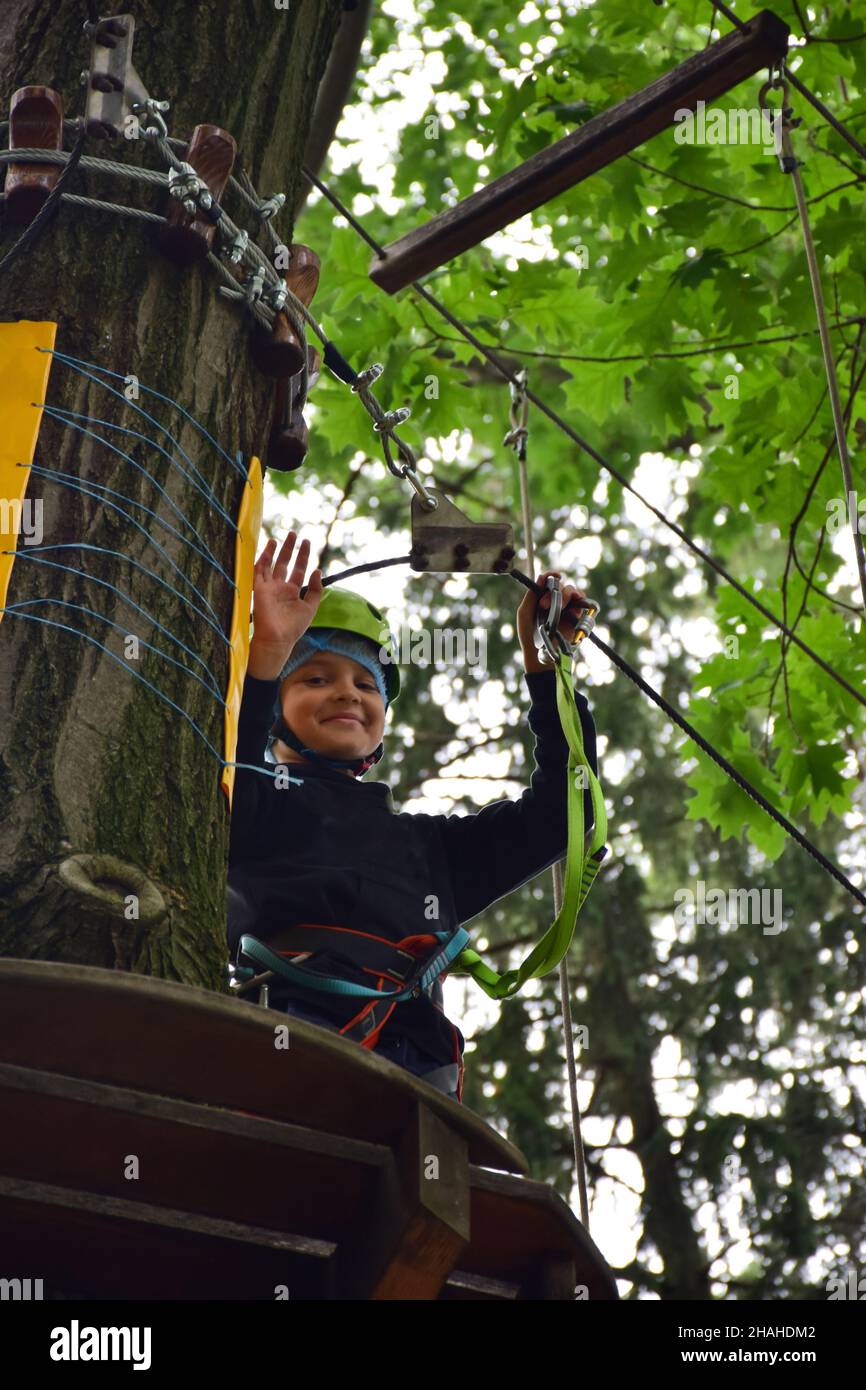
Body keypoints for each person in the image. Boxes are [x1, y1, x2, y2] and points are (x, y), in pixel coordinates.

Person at [226, 531, 599, 1105]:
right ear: (276, 710)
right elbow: (234, 759)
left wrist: (548, 668)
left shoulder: (427, 849)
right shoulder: (256, 801)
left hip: (415, 1075)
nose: (347, 695)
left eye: (364, 683)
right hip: (289, 1039)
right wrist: (267, 660)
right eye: (315, 678)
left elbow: (561, 816)